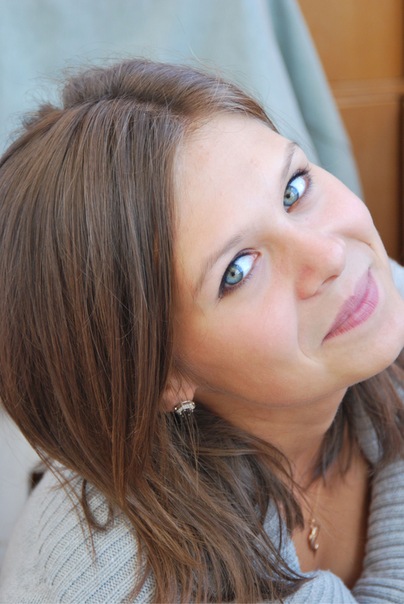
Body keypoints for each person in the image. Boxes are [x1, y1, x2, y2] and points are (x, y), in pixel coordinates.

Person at [0, 59, 404, 604]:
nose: (331, 255)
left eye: (293, 189)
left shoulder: (375, 296)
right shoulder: (110, 584)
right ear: (163, 377)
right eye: (238, 270)